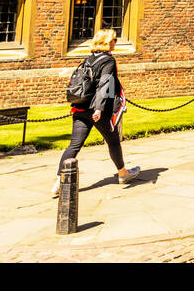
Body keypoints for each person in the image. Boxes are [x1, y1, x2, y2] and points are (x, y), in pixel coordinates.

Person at [54, 28, 141, 197]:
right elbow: (105, 85)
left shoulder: (89, 59)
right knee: (113, 141)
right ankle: (123, 174)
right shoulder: (108, 60)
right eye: (114, 40)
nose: (116, 42)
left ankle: (60, 181)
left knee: (74, 145)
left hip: (81, 107)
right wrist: (100, 109)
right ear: (108, 42)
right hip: (98, 110)